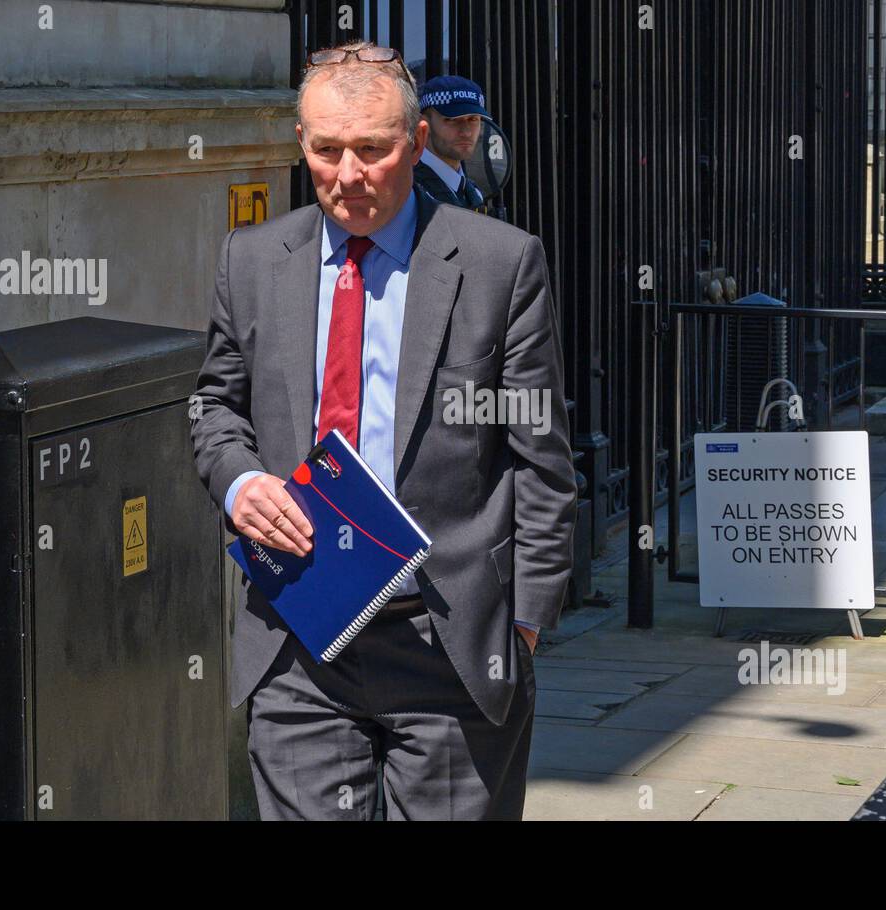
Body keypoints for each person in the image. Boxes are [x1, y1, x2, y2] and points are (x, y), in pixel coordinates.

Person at [190, 40, 576, 820]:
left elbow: (543, 464)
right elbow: (214, 408)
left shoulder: (500, 265)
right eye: (327, 151)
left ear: (419, 142)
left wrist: (524, 623)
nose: (349, 175)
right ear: (301, 144)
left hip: (449, 646)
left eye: (374, 149)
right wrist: (239, 482)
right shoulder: (253, 259)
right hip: (298, 638)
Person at [413, 74, 490, 210]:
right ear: (424, 124)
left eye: (473, 119)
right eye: (452, 120)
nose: (466, 132)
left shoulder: (473, 192)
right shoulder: (408, 190)